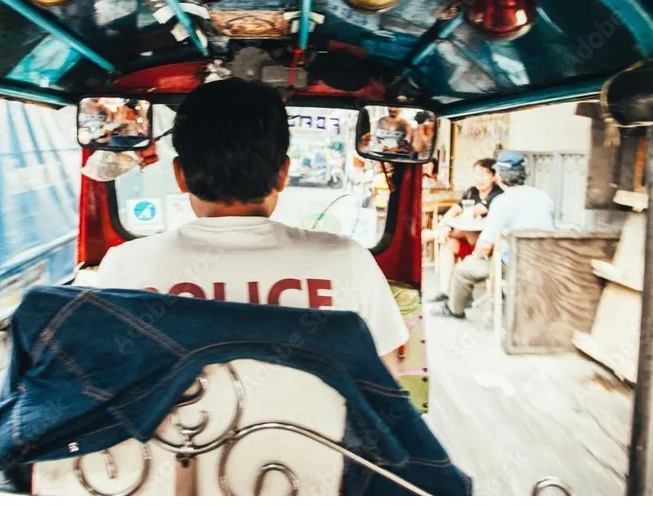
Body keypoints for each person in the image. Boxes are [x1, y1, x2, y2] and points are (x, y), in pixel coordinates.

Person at [87, 78, 410, 376]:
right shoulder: (347, 259)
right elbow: (385, 380)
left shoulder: (124, 265)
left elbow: (106, 375)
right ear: (283, 173)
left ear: (180, 175)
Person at [431, 151, 555, 318]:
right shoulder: (544, 197)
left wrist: (474, 256)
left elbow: (485, 245)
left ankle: (455, 309)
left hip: (512, 266)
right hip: (544, 262)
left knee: (462, 270)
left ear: (499, 176)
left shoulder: (502, 201)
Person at [424, 158, 503, 303]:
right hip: (468, 238)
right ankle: (445, 292)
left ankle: (433, 235)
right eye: (477, 174)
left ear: (493, 177)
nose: (480, 179)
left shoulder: (497, 195)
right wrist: (444, 226)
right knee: (448, 243)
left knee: (460, 231)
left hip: (486, 245)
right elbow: (454, 211)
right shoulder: (471, 192)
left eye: (484, 174)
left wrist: (450, 225)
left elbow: (475, 212)